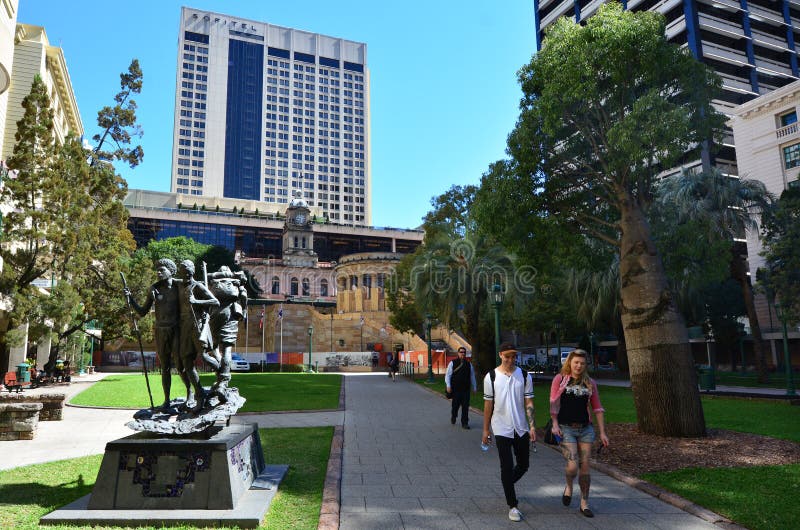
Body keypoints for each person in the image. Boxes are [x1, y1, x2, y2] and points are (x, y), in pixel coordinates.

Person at [549, 349, 609, 518]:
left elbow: (597, 408)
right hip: (566, 428)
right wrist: (554, 424)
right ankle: (569, 486)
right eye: (576, 362)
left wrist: (603, 433)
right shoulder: (560, 379)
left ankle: (584, 502)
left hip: (585, 430)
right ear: (570, 362)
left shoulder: (590, 383)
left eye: (582, 363)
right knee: (572, 466)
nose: (579, 366)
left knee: (584, 467)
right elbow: (553, 403)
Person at [482, 343, 536, 522]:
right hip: (501, 428)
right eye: (507, 356)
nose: (511, 359)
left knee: (524, 465)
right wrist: (485, 429)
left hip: (521, 427)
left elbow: (529, 402)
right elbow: (488, 405)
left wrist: (533, 426)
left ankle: (507, 484)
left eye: (514, 356)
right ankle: (512, 505)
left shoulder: (525, 376)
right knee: (506, 466)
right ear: (500, 355)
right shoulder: (491, 377)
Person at [124, 258, 182, 411]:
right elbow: (143, 312)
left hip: (176, 330)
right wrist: (130, 299)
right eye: (158, 270)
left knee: (182, 365)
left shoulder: (179, 285)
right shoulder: (154, 289)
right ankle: (167, 401)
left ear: (171, 271)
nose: (158, 272)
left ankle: (190, 395)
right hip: (161, 330)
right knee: (165, 367)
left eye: (162, 270)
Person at [177, 260, 219, 413]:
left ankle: (222, 374)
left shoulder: (198, 286)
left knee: (204, 356)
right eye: (183, 272)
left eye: (188, 272)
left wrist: (196, 301)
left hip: (197, 325)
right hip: (184, 327)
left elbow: (215, 301)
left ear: (193, 272)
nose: (186, 275)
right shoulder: (180, 286)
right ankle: (199, 394)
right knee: (186, 362)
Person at [207, 266, 248, 402]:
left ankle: (219, 372)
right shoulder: (235, 281)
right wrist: (244, 309)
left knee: (213, 347)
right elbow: (243, 296)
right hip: (230, 312)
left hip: (214, 312)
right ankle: (223, 380)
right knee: (227, 349)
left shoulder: (214, 281)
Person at [445, 347, 477, 429]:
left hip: (465, 390)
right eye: (461, 352)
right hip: (456, 390)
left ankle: (465, 423)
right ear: (458, 353)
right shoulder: (452, 363)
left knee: (465, 407)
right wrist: (448, 385)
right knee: (455, 406)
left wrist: (474, 387)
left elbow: (472, 376)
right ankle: (454, 416)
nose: (463, 353)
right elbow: (448, 375)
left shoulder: (469, 364)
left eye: (464, 352)